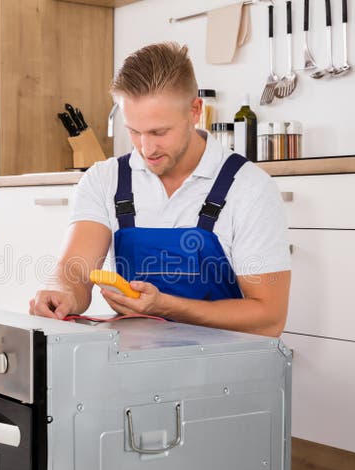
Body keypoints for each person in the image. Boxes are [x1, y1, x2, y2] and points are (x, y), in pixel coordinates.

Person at [29, 42, 291, 336]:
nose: (146, 148)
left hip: (224, 370)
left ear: (195, 111)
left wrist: (166, 306)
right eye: (134, 131)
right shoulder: (105, 179)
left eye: (159, 132)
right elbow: (75, 271)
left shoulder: (249, 188)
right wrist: (62, 292)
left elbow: (269, 319)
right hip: (135, 365)